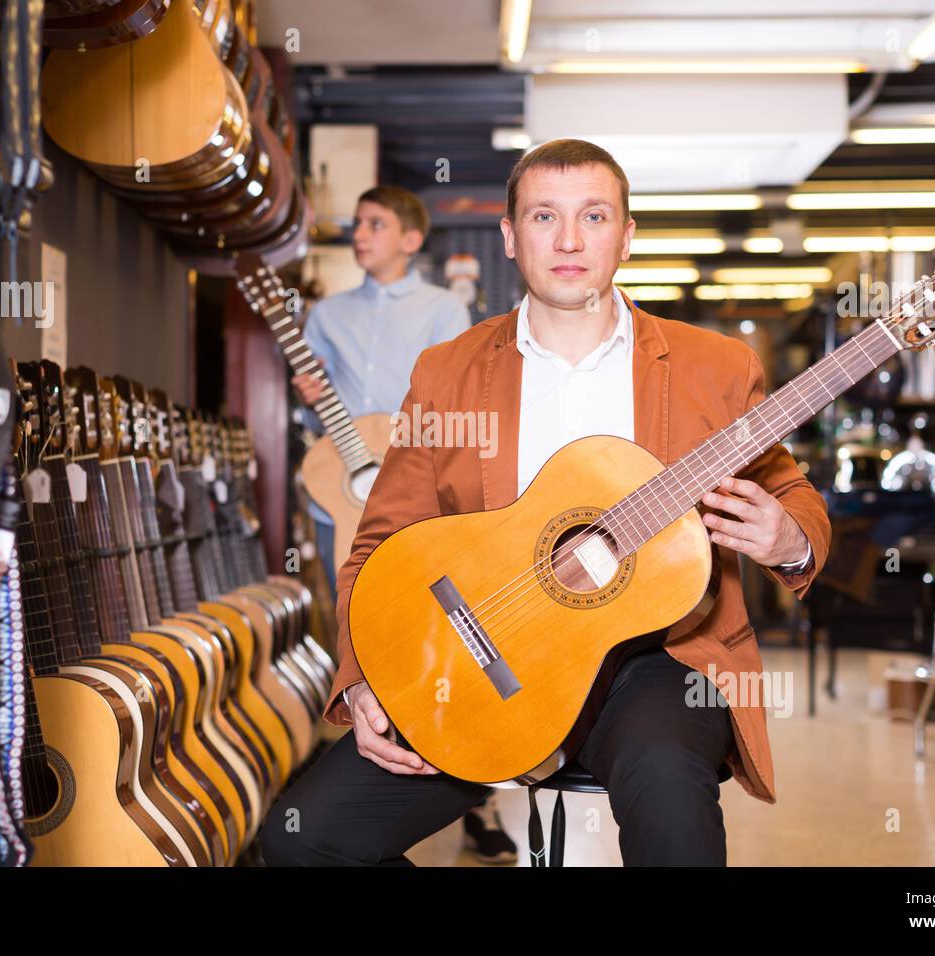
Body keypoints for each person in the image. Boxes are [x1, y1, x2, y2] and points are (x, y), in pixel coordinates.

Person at [262, 139, 830, 866]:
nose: (568, 240)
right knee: (305, 839)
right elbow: (378, 541)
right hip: (480, 654)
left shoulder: (712, 368)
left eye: (593, 216)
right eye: (543, 217)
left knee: (671, 810)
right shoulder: (448, 373)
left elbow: (788, 489)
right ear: (509, 235)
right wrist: (363, 676)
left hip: (659, 659)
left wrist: (789, 539)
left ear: (626, 236)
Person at [291, 185, 516, 863]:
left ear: (411, 239)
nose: (361, 234)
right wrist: (310, 403)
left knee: (444, 639)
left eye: (376, 224)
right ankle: (373, 763)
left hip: (420, 493)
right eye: (357, 224)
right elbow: (312, 422)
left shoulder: (447, 310)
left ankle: (477, 795)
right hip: (345, 491)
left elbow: (457, 407)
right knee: (361, 629)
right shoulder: (325, 315)